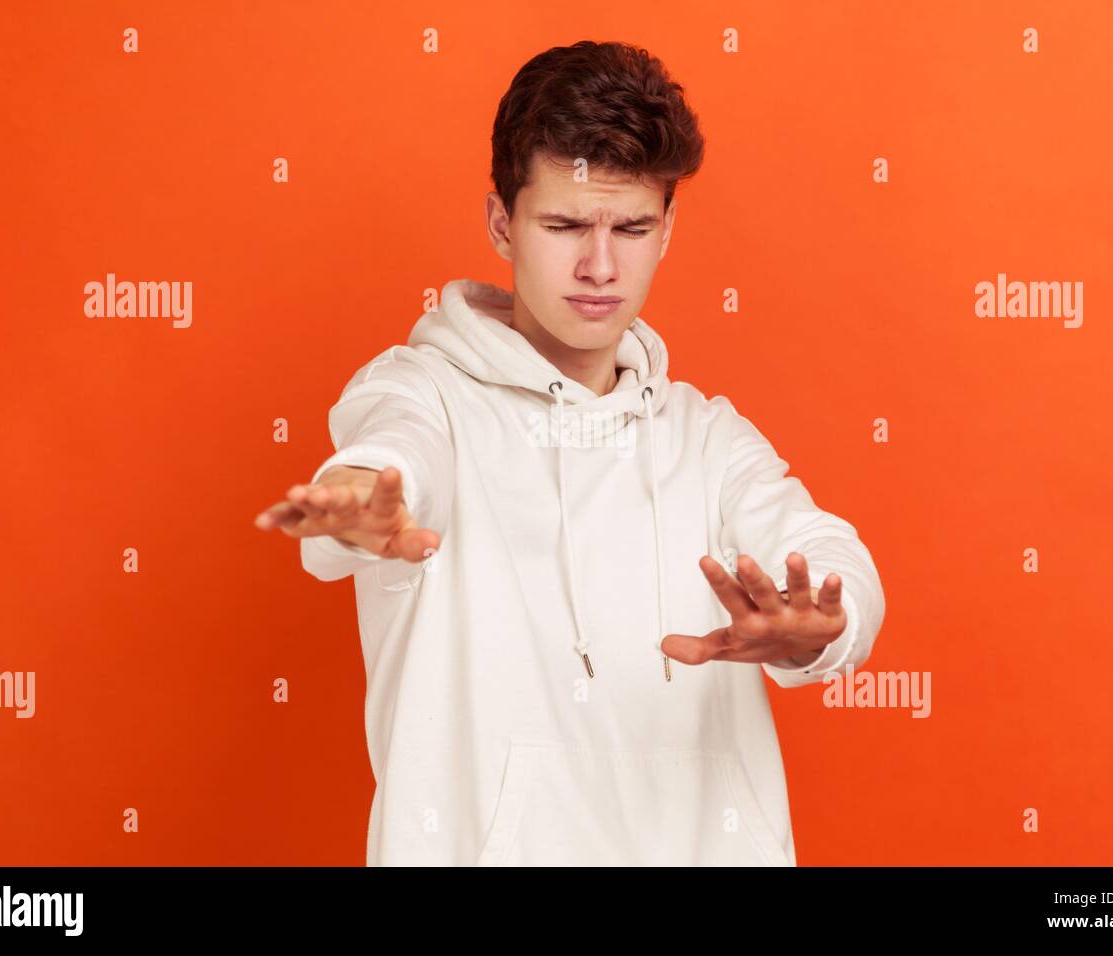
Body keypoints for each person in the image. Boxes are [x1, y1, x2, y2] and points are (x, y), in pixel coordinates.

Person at [254, 39, 885, 866]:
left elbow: (834, 555)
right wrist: (368, 500)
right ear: (500, 223)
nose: (599, 265)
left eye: (632, 227)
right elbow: (394, 450)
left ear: (668, 230)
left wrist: (822, 627)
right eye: (563, 225)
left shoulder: (705, 436)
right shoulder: (426, 395)